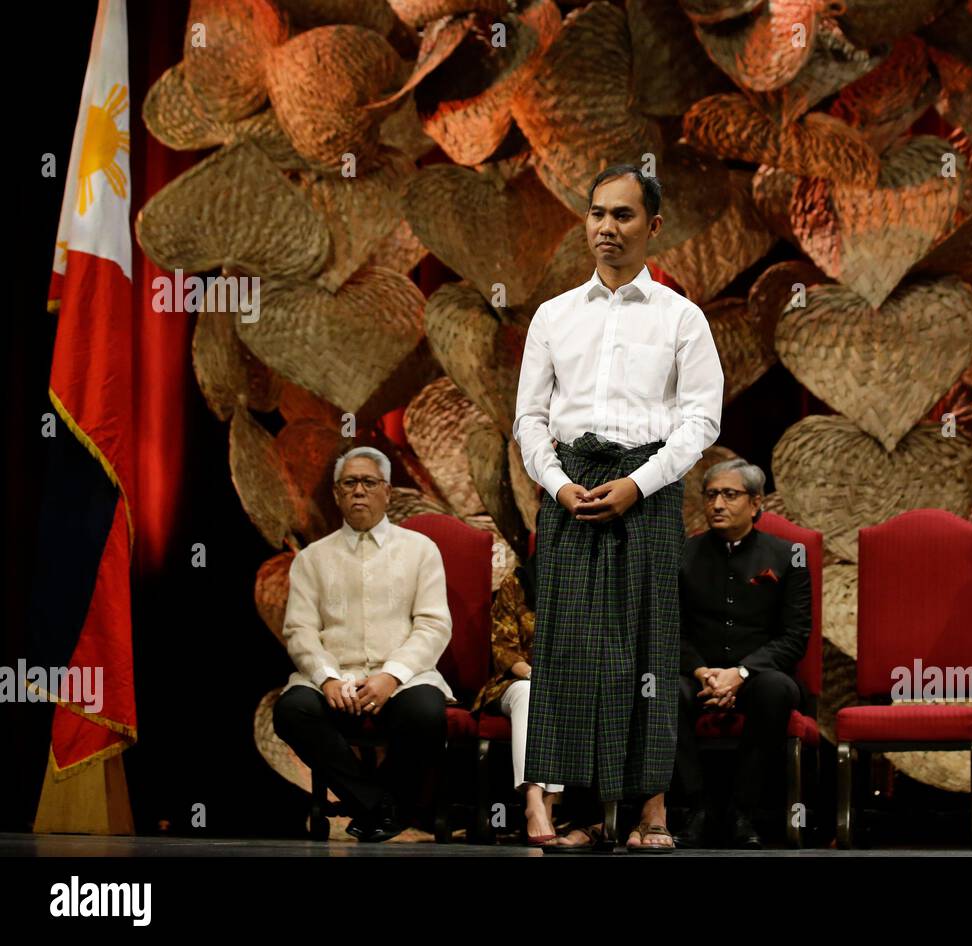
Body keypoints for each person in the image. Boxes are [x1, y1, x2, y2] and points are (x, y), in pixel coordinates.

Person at [513, 164, 726, 851]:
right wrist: (554, 482)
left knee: (646, 649)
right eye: (597, 213)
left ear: (653, 226)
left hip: (647, 487)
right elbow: (529, 419)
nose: (606, 227)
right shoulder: (554, 315)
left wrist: (643, 482)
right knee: (570, 651)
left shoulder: (680, 317)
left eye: (623, 215)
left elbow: (701, 421)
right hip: (571, 487)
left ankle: (651, 812)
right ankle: (578, 814)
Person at [272, 447, 453, 842]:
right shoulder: (312, 559)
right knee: (291, 710)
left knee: (425, 712)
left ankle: (375, 806)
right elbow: (299, 631)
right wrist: (327, 678)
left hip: (400, 678)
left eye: (368, 482)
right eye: (349, 483)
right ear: (336, 494)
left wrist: (391, 676)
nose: (359, 491)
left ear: (387, 492)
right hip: (337, 680)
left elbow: (434, 625)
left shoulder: (420, 550)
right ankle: (380, 807)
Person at [672, 459, 811, 849]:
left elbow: (794, 636)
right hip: (698, 672)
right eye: (711, 494)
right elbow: (672, 631)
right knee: (661, 691)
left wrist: (741, 673)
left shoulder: (788, 556)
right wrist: (702, 672)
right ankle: (697, 808)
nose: (717, 504)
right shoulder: (683, 554)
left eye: (729, 495)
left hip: (759, 673)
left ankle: (743, 811)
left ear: (755, 503)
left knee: (777, 691)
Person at [471, 552, 566, 844]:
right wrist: (535, 675)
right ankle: (534, 799)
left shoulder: (584, 584)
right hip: (514, 681)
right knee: (531, 692)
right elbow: (503, 648)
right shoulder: (517, 582)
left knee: (558, 697)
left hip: (567, 686)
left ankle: (547, 809)